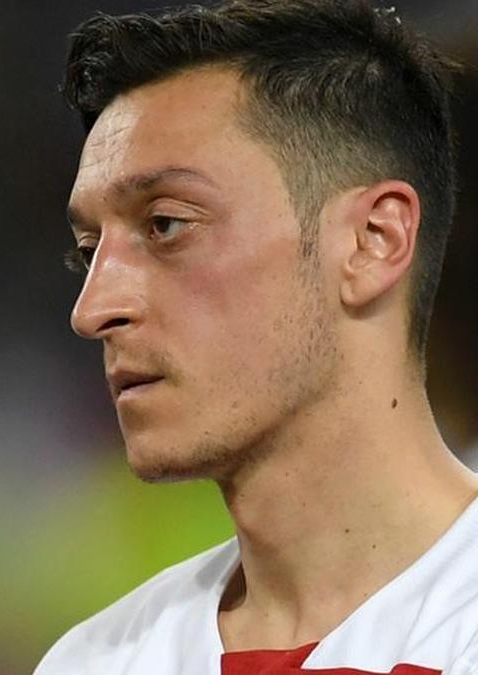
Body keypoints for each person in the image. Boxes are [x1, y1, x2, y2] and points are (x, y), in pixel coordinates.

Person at [36, 1, 478, 673]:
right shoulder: (92, 661)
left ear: (373, 241)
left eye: (165, 225)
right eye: (88, 251)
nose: (92, 309)